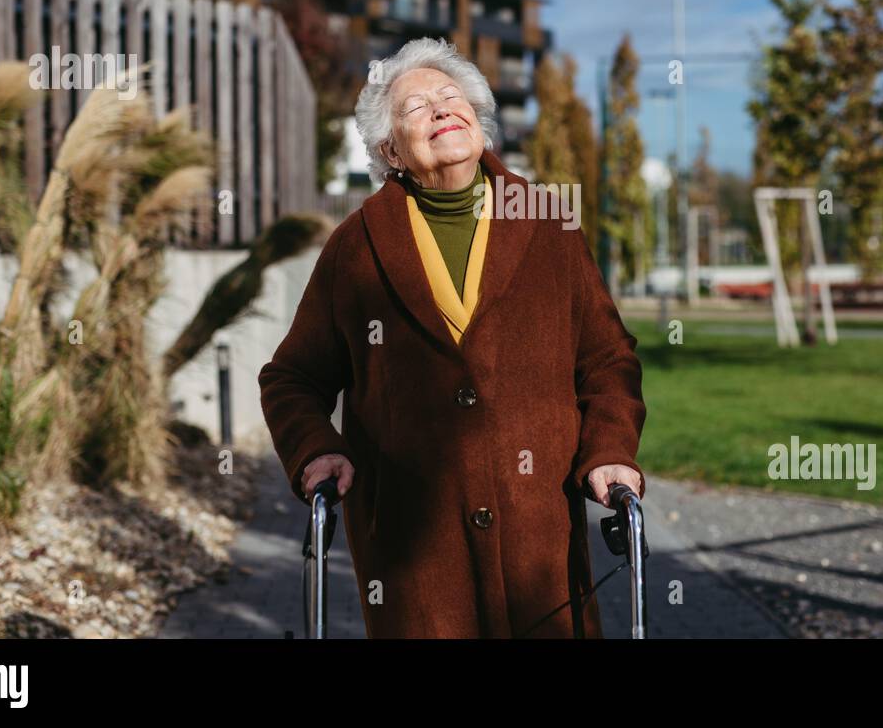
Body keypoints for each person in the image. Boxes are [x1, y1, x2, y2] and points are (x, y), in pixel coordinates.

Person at [258, 36, 647, 637]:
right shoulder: (355, 248)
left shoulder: (547, 225)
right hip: (414, 551)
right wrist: (316, 448)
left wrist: (611, 449)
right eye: (416, 108)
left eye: (451, 96)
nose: (441, 109)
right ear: (390, 148)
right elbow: (292, 377)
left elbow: (607, 358)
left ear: (479, 119)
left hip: (539, 538)